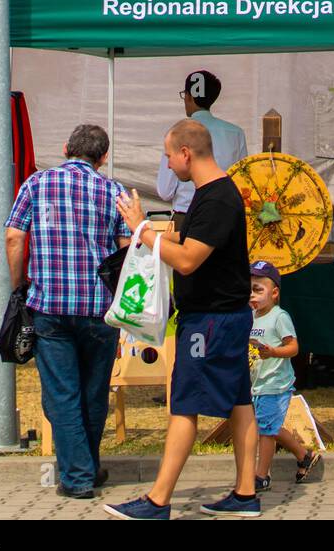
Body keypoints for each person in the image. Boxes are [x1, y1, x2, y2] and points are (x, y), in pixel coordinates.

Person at [106, 119, 258, 519]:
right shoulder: (209, 195)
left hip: (211, 320)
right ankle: (246, 494)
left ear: (186, 153)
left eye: (168, 154)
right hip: (223, 317)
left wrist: (144, 231)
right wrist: (142, 227)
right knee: (240, 402)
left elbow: (188, 260)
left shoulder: (218, 198)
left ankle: (158, 501)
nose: (168, 163)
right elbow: (180, 236)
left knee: (184, 405)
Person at [4, 125, 130, 500]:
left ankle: (76, 478)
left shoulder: (36, 184)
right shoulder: (114, 191)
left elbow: (14, 237)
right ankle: (87, 467)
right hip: (98, 309)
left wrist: (18, 286)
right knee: (93, 394)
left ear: (65, 148)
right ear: (103, 157)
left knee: (61, 394)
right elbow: (125, 252)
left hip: (50, 306)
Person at [247, 261, 320, 491]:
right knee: (268, 426)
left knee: (267, 428)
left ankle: (262, 476)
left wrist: (274, 352)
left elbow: (294, 347)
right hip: (257, 383)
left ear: (275, 293)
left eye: (258, 290)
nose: (252, 295)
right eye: (248, 290)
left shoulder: (279, 317)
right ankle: (304, 454)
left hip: (276, 382)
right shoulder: (251, 316)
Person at [156, 70, 248, 231]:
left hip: (186, 218)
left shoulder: (176, 133)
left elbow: (165, 191)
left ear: (189, 96)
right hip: (224, 218)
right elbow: (242, 182)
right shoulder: (236, 133)